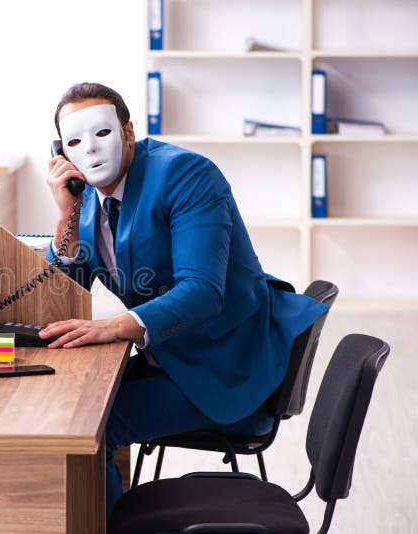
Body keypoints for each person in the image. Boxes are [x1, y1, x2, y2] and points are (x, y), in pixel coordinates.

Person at [37, 82, 328, 518]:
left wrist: (113, 326)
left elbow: (202, 291)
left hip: (226, 367)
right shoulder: (92, 204)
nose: (91, 151)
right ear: (62, 154)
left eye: (101, 134)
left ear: (128, 132)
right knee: (73, 402)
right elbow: (64, 289)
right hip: (174, 355)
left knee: (90, 426)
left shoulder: (186, 175)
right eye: (75, 142)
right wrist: (67, 213)